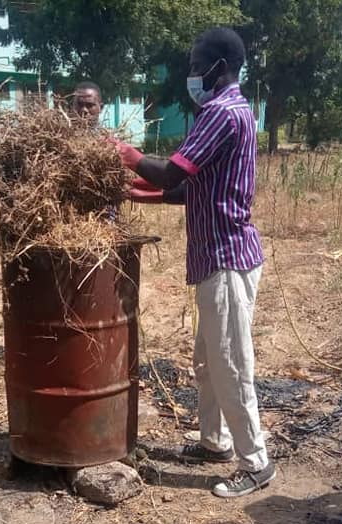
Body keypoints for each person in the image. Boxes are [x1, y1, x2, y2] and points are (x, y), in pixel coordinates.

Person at [114, 27, 273, 499]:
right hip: (213, 258)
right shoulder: (227, 112)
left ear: (219, 64)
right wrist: (134, 191)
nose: (190, 73)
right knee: (207, 361)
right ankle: (215, 443)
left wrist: (126, 156)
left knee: (230, 363)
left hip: (227, 258)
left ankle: (256, 462)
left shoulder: (222, 113)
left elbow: (171, 170)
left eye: (194, 62)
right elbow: (186, 189)